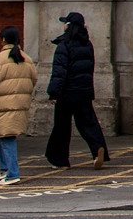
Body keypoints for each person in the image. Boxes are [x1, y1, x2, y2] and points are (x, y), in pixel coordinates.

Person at [45, 11, 109, 170]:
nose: (64, 25)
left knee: (62, 126)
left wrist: (53, 92)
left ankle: (60, 160)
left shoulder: (64, 45)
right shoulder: (87, 44)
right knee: (89, 123)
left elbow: (59, 71)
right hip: (84, 91)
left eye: (65, 22)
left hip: (66, 93)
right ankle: (98, 150)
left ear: (69, 26)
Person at [0, 25, 38, 186]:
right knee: (2, 135)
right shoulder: (26, 58)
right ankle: (4, 168)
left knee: (6, 137)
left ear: (3, 40)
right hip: (19, 103)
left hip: (2, 103)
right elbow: (33, 79)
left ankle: (13, 173)